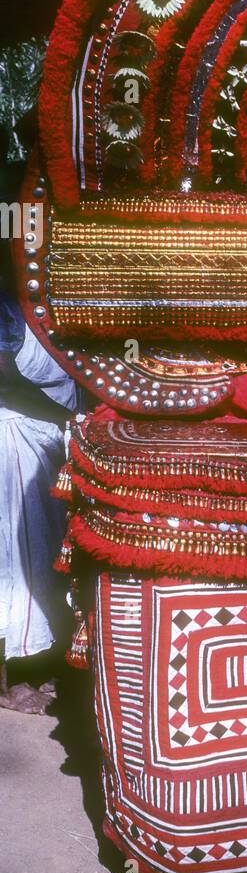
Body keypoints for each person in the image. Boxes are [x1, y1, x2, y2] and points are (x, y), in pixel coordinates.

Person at [0, 288, 78, 713]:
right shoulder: (6, 303)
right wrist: (63, 415)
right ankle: (4, 685)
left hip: (41, 437)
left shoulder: (51, 301)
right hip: (10, 434)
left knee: (38, 557)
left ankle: (29, 662)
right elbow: (3, 373)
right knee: (9, 564)